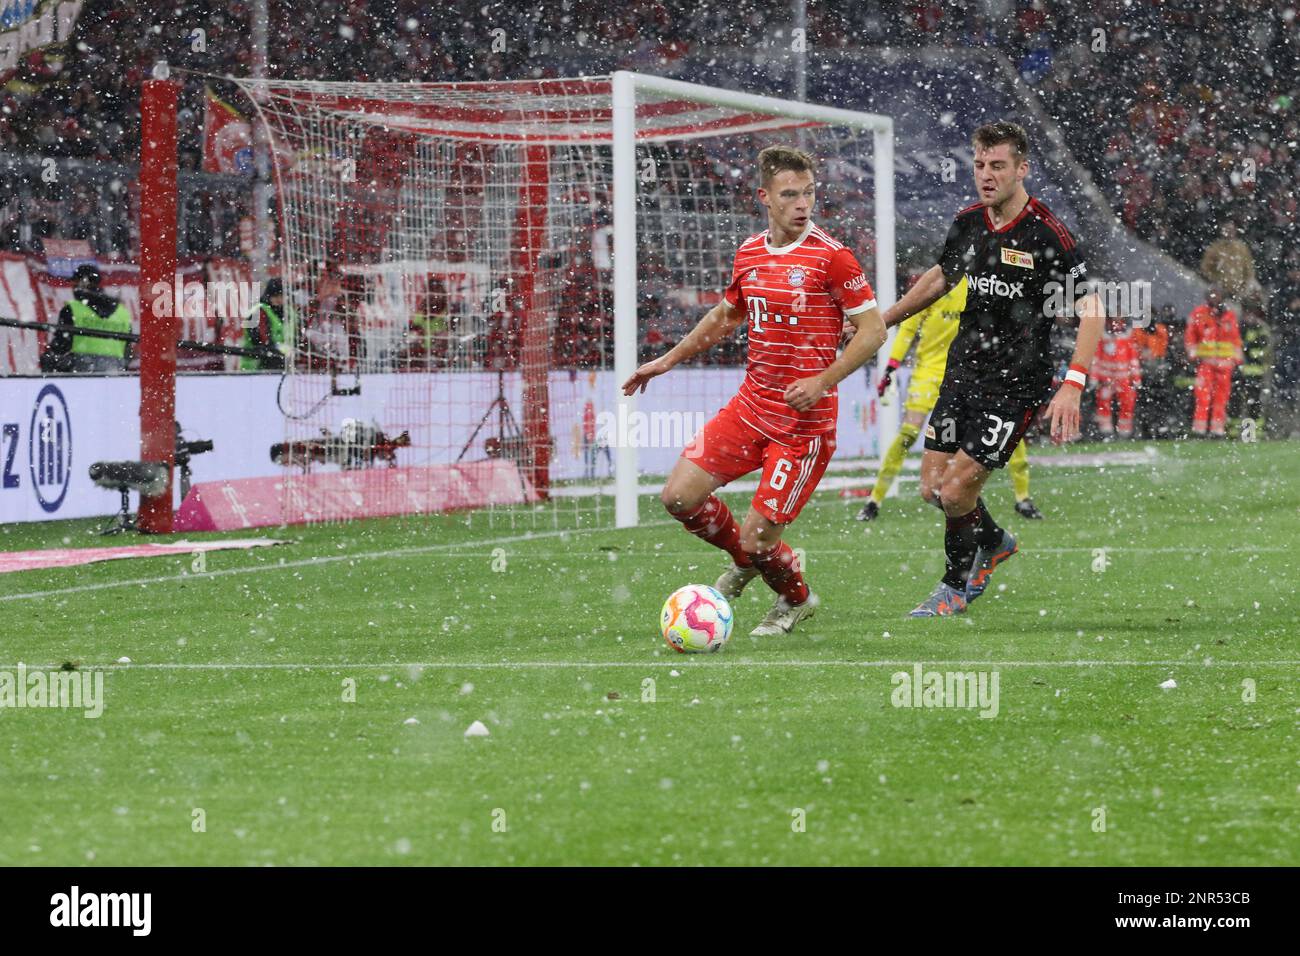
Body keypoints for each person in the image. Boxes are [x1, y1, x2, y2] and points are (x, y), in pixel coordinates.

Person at [623, 145, 886, 637]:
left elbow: (872, 330)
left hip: (802, 427)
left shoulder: (832, 258)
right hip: (750, 407)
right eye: (790, 194)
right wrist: (666, 360)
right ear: (765, 197)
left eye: (808, 192)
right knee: (679, 497)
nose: (802, 203)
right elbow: (726, 315)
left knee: (763, 537)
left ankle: (796, 598)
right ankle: (745, 560)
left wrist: (822, 380)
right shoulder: (749, 252)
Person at [877, 121, 1104, 617]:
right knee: (932, 491)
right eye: (979, 165)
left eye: (997, 165)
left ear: (1022, 169)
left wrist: (1073, 383)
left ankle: (953, 588)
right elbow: (941, 275)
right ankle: (995, 540)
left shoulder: (1048, 231)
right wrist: (884, 321)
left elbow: (1092, 307)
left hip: (1016, 385)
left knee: (957, 490)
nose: (986, 175)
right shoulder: (970, 222)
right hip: (962, 375)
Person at [857, 275, 1043, 522]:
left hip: (969, 373)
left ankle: (1023, 498)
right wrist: (892, 366)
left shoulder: (981, 284)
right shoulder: (938, 283)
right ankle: (875, 499)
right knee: (909, 433)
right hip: (930, 373)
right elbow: (908, 329)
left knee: (1004, 433)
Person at [40, 263, 132, 374]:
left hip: (81, 374)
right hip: (115, 374)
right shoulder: (122, 313)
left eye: (74, 283)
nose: (73, 288)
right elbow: (128, 352)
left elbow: (60, 346)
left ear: (83, 282)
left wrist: (48, 359)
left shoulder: (73, 309)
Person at [1185, 288, 1242, 436]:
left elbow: (1235, 339)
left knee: (1221, 398)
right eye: (1213, 295)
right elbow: (1190, 336)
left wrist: (1236, 360)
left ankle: (1217, 430)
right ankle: (1199, 429)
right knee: (1202, 396)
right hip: (1206, 363)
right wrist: (1193, 355)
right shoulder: (1199, 314)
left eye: (1218, 295)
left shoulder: (1229, 315)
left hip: (1225, 365)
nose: (1215, 298)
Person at [1091, 315, 1141, 438]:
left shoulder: (1128, 335)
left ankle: (1124, 432)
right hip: (1105, 379)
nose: (1117, 318)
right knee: (1103, 403)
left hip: (1123, 378)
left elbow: (1133, 359)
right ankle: (1105, 431)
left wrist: (1136, 378)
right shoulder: (1102, 336)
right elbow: (1096, 359)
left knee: (1127, 402)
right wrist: (1094, 378)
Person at [241, 278, 290, 371]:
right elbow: (261, 342)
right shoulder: (258, 312)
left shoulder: (286, 313)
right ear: (268, 295)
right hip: (254, 369)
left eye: (282, 296)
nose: (279, 300)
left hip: (275, 367)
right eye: (275, 296)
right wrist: (279, 349)